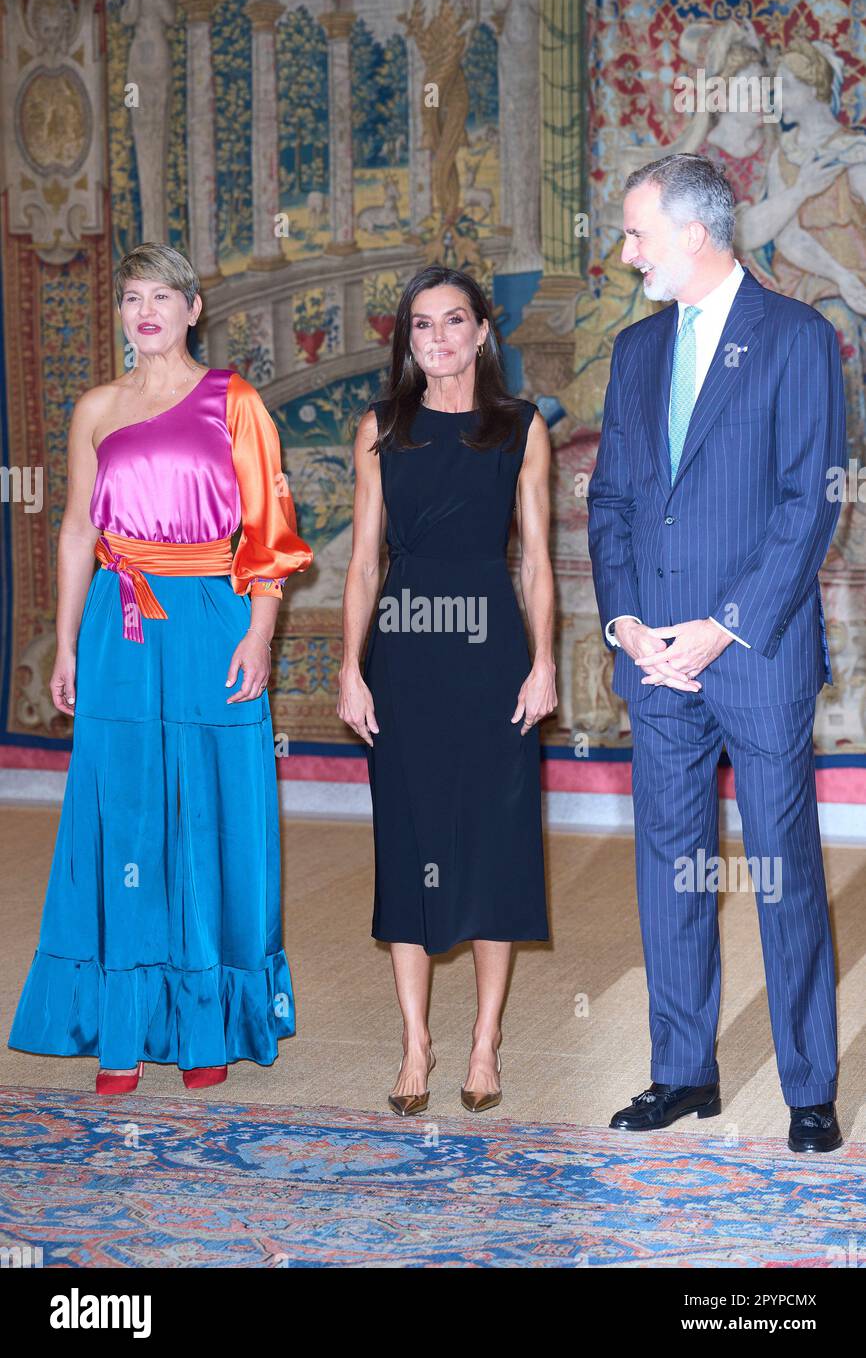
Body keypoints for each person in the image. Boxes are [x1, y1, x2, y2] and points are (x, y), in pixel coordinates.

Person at [7, 243, 313, 1095]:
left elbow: (269, 536)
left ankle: (209, 1018)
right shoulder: (97, 408)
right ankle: (123, 1027)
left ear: (194, 307)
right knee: (126, 814)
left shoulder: (237, 403)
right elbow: (76, 531)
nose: (144, 311)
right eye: (131, 297)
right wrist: (66, 642)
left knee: (212, 809)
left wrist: (259, 635)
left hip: (213, 616)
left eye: (161, 297)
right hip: (119, 622)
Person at [587, 154, 846, 1153]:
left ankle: (808, 1084)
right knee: (669, 866)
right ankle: (681, 1071)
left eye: (634, 234)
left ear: (694, 232)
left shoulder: (796, 338)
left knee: (779, 869)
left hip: (754, 652)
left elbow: (806, 505)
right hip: (653, 657)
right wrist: (624, 623)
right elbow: (609, 501)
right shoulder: (634, 348)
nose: (623, 252)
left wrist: (722, 624)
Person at [338, 264, 555, 1116]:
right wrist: (351, 669)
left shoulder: (518, 427)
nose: (437, 339)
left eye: (453, 322)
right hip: (404, 655)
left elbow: (536, 559)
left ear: (480, 332)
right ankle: (415, 1042)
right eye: (420, 326)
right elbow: (361, 562)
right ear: (407, 341)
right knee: (410, 838)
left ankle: (484, 1042)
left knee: (496, 843)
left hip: (493, 651)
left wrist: (541, 662)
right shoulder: (381, 429)